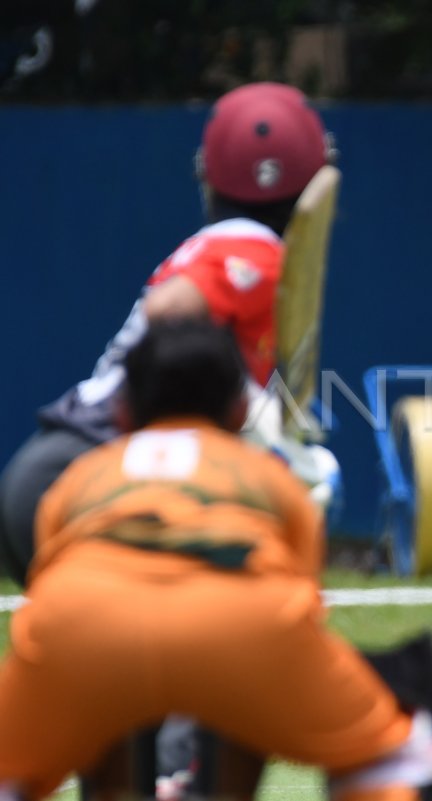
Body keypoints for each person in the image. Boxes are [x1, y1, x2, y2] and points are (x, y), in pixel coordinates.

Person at [0, 80, 338, 790]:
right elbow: (172, 308)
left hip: (54, 472)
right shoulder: (249, 246)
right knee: (220, 638)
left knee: (123, 730)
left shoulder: (227, 244)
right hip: (103, 474)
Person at [0, 317, 432, 800]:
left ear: (120, 413)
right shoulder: (271, 478)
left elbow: (49, 575)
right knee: (388, 758)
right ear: (240, 409)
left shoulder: (81, 476)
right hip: (248, 626)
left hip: (81, 625)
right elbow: (300, 596)